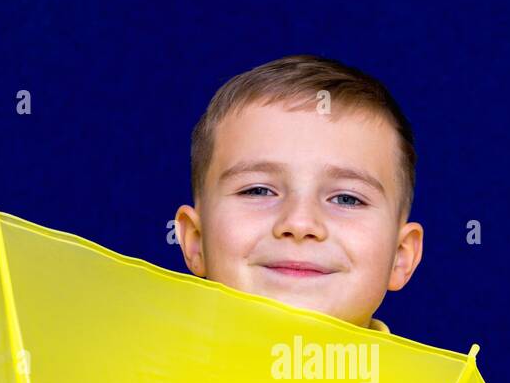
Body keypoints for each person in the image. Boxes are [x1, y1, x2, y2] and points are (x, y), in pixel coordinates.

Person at [174, 54, 424, 335]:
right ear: (195, 240)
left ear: (400, 256)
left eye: (347, 199)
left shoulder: (434, 382)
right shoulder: (127, 374)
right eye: (258, 190)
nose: (299, 224)